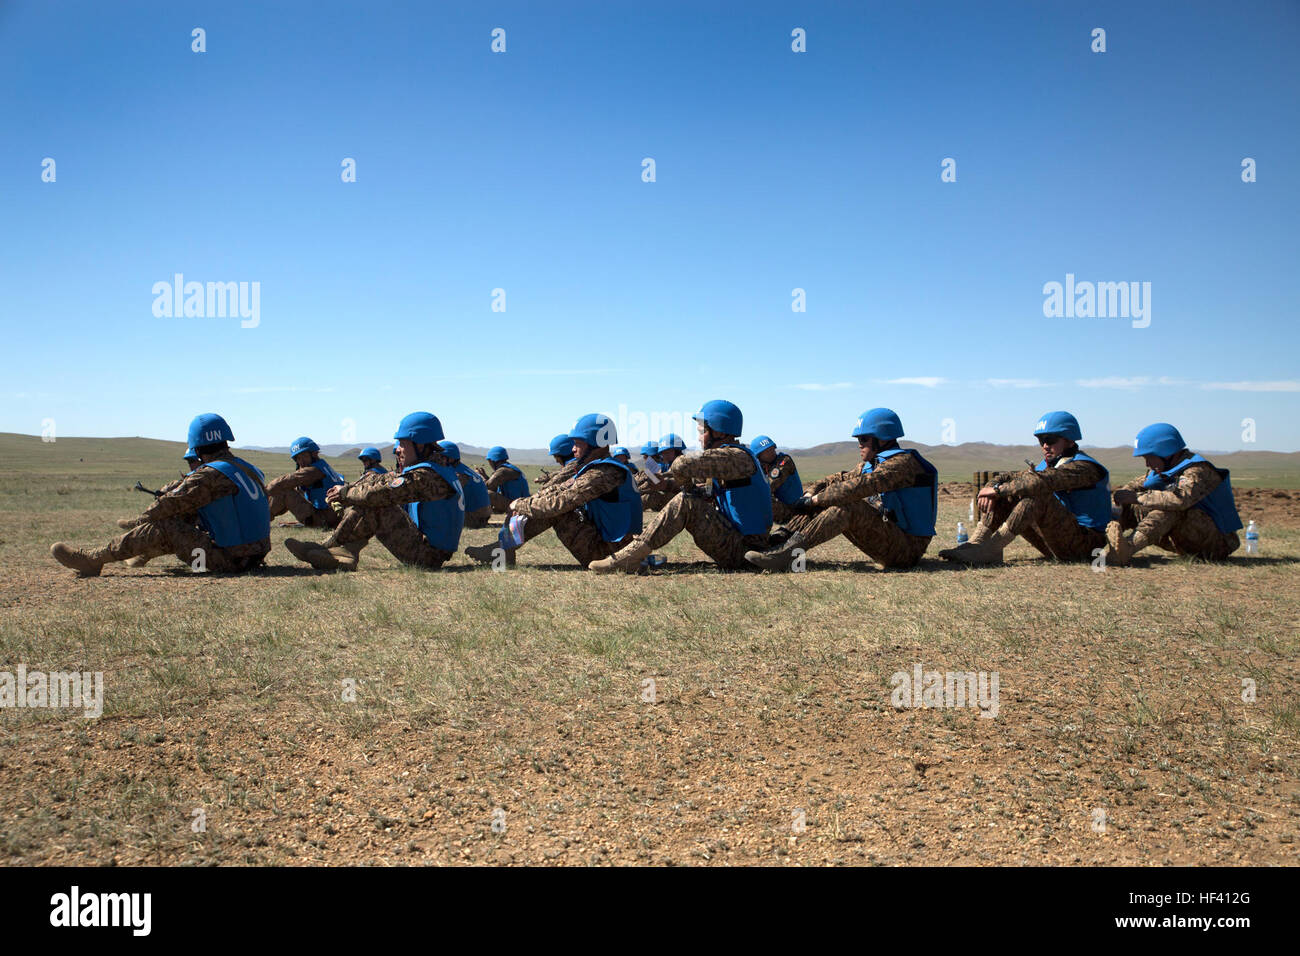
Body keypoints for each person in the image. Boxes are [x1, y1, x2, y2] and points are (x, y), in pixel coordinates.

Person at [51, 413, 271, 576]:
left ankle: (94, 559)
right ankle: (141, 553)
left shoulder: (209, 475)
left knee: (166, 525)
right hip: (253, 558)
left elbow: (166, 506)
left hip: (228, 562)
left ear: (197, 447)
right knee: (183, 521)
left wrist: (138, 522)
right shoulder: (246, 468)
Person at [589, 400, 771, 573]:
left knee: (687, 502)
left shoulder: (735, 458)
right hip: (743, 545)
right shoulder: (733, 459)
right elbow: (705, 489)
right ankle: (632, 553)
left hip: (745, 550)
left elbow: (681, 465)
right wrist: (667, 485)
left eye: (702, 431)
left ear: (720, 432)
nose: (699, 438)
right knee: (689, 500)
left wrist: (687, 488)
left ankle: (629, 557)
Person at [745, 408, 935, 572]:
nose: (859, 444)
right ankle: (777, 541)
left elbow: (860, 487)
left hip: (907, 549)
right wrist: (811, 494)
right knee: (825, 498)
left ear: (882, 439)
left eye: (864, 438)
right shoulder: (872, 464)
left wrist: (816, 500)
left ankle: (787, 555)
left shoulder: (902, 464)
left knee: (846, 505)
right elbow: (835, 479)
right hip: (890, 538)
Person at [284, 412, 465, 572]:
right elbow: (382, 479)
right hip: (428, 547)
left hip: (428, 556)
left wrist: (346, 494)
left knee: (378, 503)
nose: (398, 449)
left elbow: (381, 493)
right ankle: (341, 552)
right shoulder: (436, 469)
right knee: (372, 500)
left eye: (402, 443)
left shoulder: (426, 477)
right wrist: (349, 488)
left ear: (420, 444)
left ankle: (329, 548)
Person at [464, 413, 642, 568]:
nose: (573, 449)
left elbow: (559, 502)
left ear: (599, 444)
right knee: (548, 503)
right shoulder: (601, 469)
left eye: (578, 443)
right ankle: (503, 548)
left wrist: (520, 503)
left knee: (558, 510)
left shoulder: (604, 473)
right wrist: (527, 503)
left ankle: (501, 549)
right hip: (613, 546)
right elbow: (559, 489)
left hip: (613, 553)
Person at [939, 411, 1109, 564]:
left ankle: (989, 550)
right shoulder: (1049, 465)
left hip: (1087, 545)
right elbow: (1008, 477)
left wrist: (997, 490)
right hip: (1057, 543)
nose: (1044, 445)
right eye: (1041, 440)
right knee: (1012, 490)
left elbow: (1040, 482)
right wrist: (991, 488)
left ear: (1069, 439)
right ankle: (976, 544)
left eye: (1050, 440)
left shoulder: (1085, 468)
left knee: (1034, 493)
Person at [1106, 423, 1243, 565]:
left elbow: (1180, 500)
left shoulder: (1197, 470)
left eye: (1149, 457)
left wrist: (1138, 498)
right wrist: (1120, 501)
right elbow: (1134, 486)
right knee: (1128, 504)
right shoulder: (1165, 468)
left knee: (1169, 507)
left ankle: (1126, 549)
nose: (1147, 464)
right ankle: (1109, 544)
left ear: (1165, 452)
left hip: (1217, 544)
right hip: (1188, 538)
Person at [266, 437, 347, 529]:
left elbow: (286, 481)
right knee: (293, 490)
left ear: (313, 454)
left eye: (304, 456)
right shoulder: (323, 467)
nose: (302, 461)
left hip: (324, 519)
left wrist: (263, 491)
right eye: (298, 458)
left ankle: (260, 519)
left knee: (285, 492)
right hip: (332, 517)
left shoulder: (313, 471)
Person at [750, 435, 804, 524]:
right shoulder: (763, 467)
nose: (772, 452)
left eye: (772, 449)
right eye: (767, 451)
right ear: (759, 456)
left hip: (794, 510)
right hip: (785, 508)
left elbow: (768, 486)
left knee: (761, 497)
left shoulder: (784, 461)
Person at [438, 440, 492, 529]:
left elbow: (444, 496)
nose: (438, 460)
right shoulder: (464, 470)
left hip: (474, 518)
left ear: (450, 458)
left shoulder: (458, 475)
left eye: (441, 457)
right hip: (481, 516)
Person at [636, 433, 684, 511]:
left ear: (676, 450)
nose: (663, 455)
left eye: (667, 452)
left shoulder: (681, 463)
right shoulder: (671, 464)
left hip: (679, 499)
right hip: (673, 496)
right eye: (662, 452)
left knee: (651, 497)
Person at [480, 446, 530, 513]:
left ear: (493, 461)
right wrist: (485, 476)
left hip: (517, 505)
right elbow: (493, 485)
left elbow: (488, 486)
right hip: (522, 503)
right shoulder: (510, 468)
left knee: (486, 493)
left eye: (489, 461)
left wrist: (481, 477)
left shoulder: (502, 471)